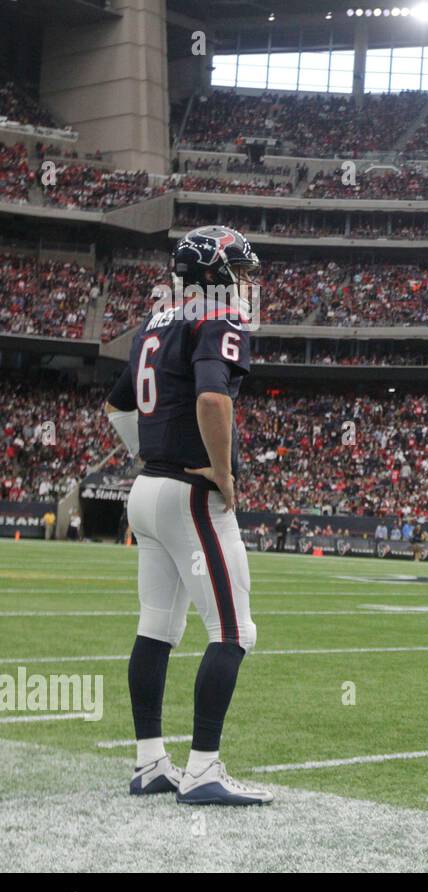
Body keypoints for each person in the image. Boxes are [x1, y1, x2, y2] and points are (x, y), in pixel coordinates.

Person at [103, 225, 271, 805]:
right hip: (189, 493)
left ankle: (150, 762)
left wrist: (148, 452)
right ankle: (203, 770)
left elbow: (118, 402)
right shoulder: (216, 319)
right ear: (217, 273)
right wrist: (221, 471)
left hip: (148, 489)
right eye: (241, 272)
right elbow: (211, 397)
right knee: (233, 631)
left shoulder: (156, 320)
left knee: (157, 627)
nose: (248, 283)